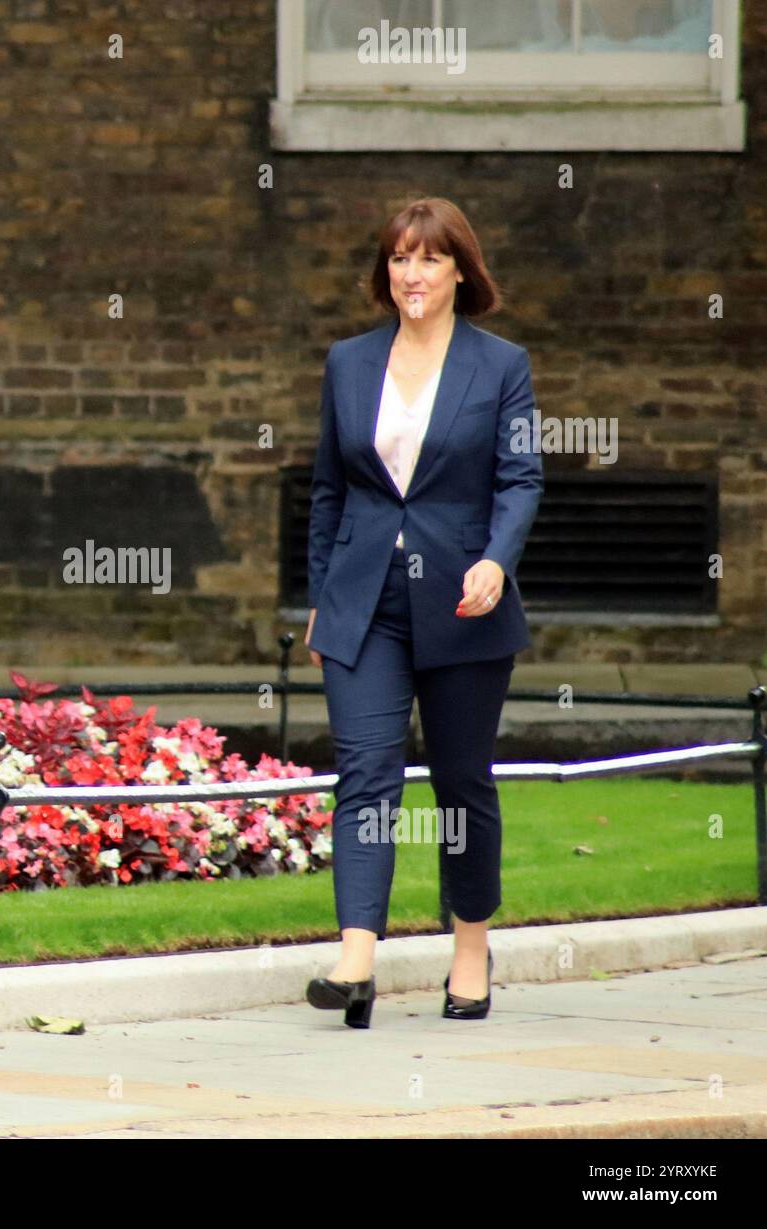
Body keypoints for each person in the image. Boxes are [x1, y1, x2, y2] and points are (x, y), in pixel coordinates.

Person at [302, 197, 543, 1029]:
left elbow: (521, 479)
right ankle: (357, 953)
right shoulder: (347, 363)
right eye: (400, 258)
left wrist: (494, 561)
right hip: (363, 606)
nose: (412, 274)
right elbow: (329, 492)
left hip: (462, 602)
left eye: (430, 259)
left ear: (460, 273)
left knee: (460, 782)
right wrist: (319, 598)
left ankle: (470, 946)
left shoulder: (501, 365)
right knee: (365, 772)